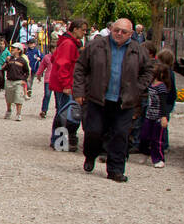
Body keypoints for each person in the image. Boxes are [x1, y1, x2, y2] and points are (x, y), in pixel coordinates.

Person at [73, 18, 154, 182]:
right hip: (97, 98)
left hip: (124, 102)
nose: (119, 34)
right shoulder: (96, 46)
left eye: (124, 32)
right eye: (116, 30)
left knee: (120, 135)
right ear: (111, 29)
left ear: (130, 34)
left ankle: (115, 169)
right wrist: (79, 90)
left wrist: (137, 89)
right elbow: (80, 68)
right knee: (93, 131)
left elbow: (149, 71)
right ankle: (90, 154)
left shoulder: (138, 51)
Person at [47, 19, 86, 150]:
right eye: (83, 30)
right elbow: (63, 64)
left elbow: (55, 59)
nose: (84, 33)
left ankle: (59, 141)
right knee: (64, 113)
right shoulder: (69, 44)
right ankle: (59, 142)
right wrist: (67, 85)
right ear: (75, 29)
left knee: (62, 112)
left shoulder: (66, 42)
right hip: (64, 84)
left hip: (62, 82)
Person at [137, 64, 173, 168]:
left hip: (158, 117)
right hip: (149, 115)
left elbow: (163, 104)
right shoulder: (151, 84)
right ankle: (145, 152)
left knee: (157, 139)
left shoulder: (162, 87)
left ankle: (158, 159)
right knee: (144, 136)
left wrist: (164, 117)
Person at [4, 42, 31, 120]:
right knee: (8, 98)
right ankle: (9, 110)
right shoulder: (10, 59)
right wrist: (6, 62)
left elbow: (27, 72)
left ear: (19, 50)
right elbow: (3, 68)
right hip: (9, 81)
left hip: (18, 82)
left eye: (14, 48)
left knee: (18, 99)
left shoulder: (22, 60)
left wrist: (24, 80)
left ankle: (18, 114)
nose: (12, 49)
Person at [36, 42, 55, 118]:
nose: (55, 50)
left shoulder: (60, 56)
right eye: (53, 48)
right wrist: (39, 74)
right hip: (48, 79)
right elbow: (42, 66)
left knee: (58, 97)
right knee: (47, 95)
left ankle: (59, 110)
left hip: (57, 79)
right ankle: (44, 110)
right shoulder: (47, 57)